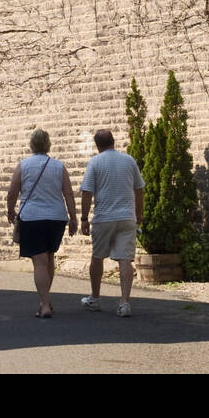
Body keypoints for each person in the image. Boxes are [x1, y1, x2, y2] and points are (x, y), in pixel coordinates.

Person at [7, 128, 77, 318]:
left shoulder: (23, 165)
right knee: (49, 258)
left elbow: (12, 192)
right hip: (56, 218)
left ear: (31, 144)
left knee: (39, 263)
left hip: (32, 217)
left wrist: (10, 210)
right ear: (48, 145)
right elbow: (68, 193)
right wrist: (74, 218)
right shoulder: (58, 166)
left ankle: (45, 304)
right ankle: (44, 300)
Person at [79, 128, 145, 317]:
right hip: (127, 217)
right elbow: (139, 189)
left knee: (97, 257)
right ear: (113, 141)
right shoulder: (129, 160)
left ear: (97, 145)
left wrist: (84, 218)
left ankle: (95, 297)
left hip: (104, 217)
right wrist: (139, 214)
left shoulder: (95, 162)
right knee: (125, 259)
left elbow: (87, 192)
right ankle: (124, 302)